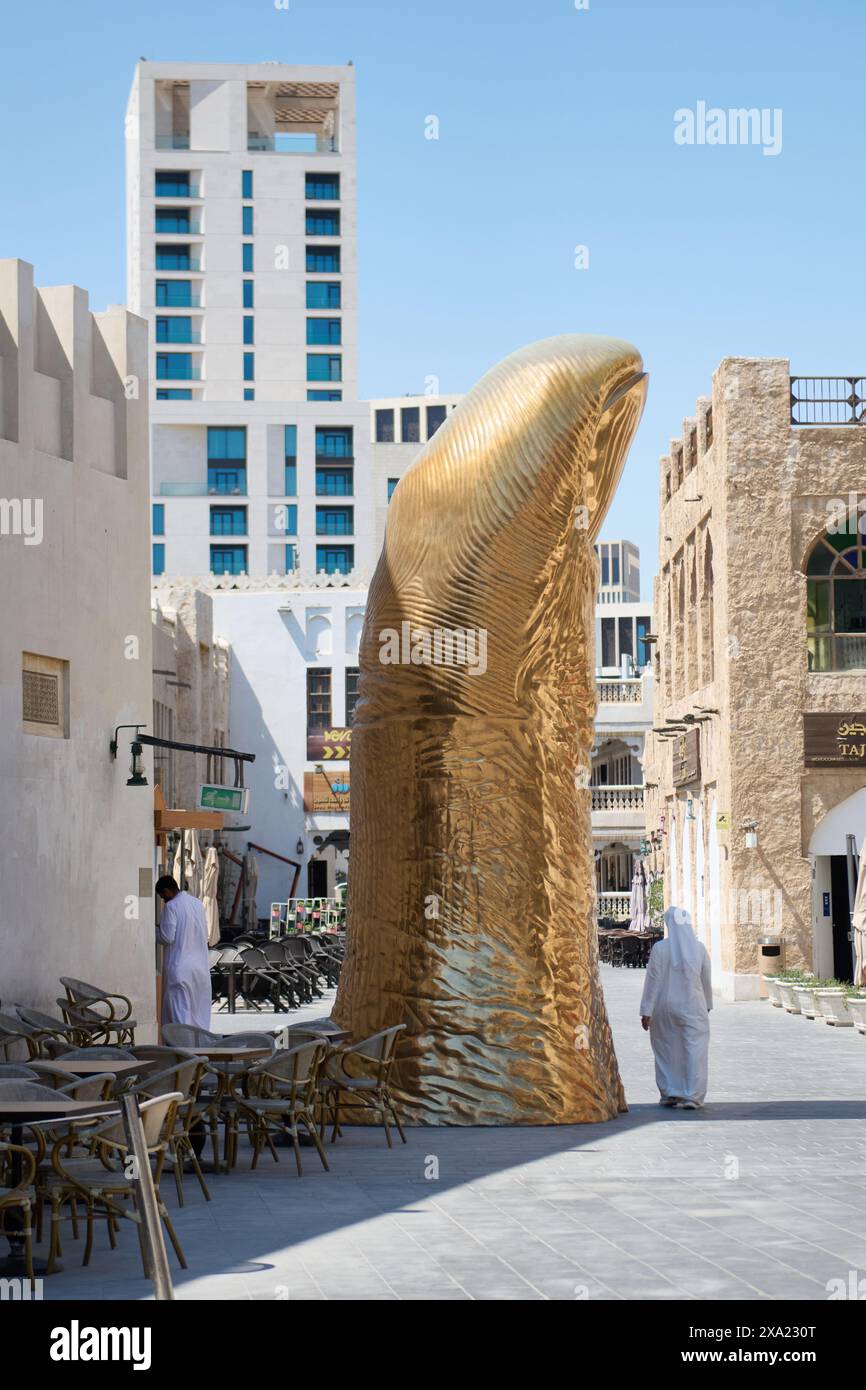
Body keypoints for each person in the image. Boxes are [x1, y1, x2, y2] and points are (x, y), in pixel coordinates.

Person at [639, 906, 712, 1110]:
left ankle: (670, 1091)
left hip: (665, 1008)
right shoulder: (699, 949)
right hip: (693, 1007)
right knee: (694, 1050)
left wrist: (647, 1010)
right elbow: (706, 980)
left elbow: (652, 981)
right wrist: (708, 1004)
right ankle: (692, 1095)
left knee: (665, 1049)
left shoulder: (660, 949)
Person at [155, 875, 212, 1029]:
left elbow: (167, 937)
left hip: (180, 968)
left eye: (162, 896)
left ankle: (183, 1051)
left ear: (166, 891)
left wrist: (153, 930)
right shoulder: (198, 904)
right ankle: (198, 1049)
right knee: (197, 1014)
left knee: (180, 1017)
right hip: (200, 969)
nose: (163, 900)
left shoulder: (171, 906)